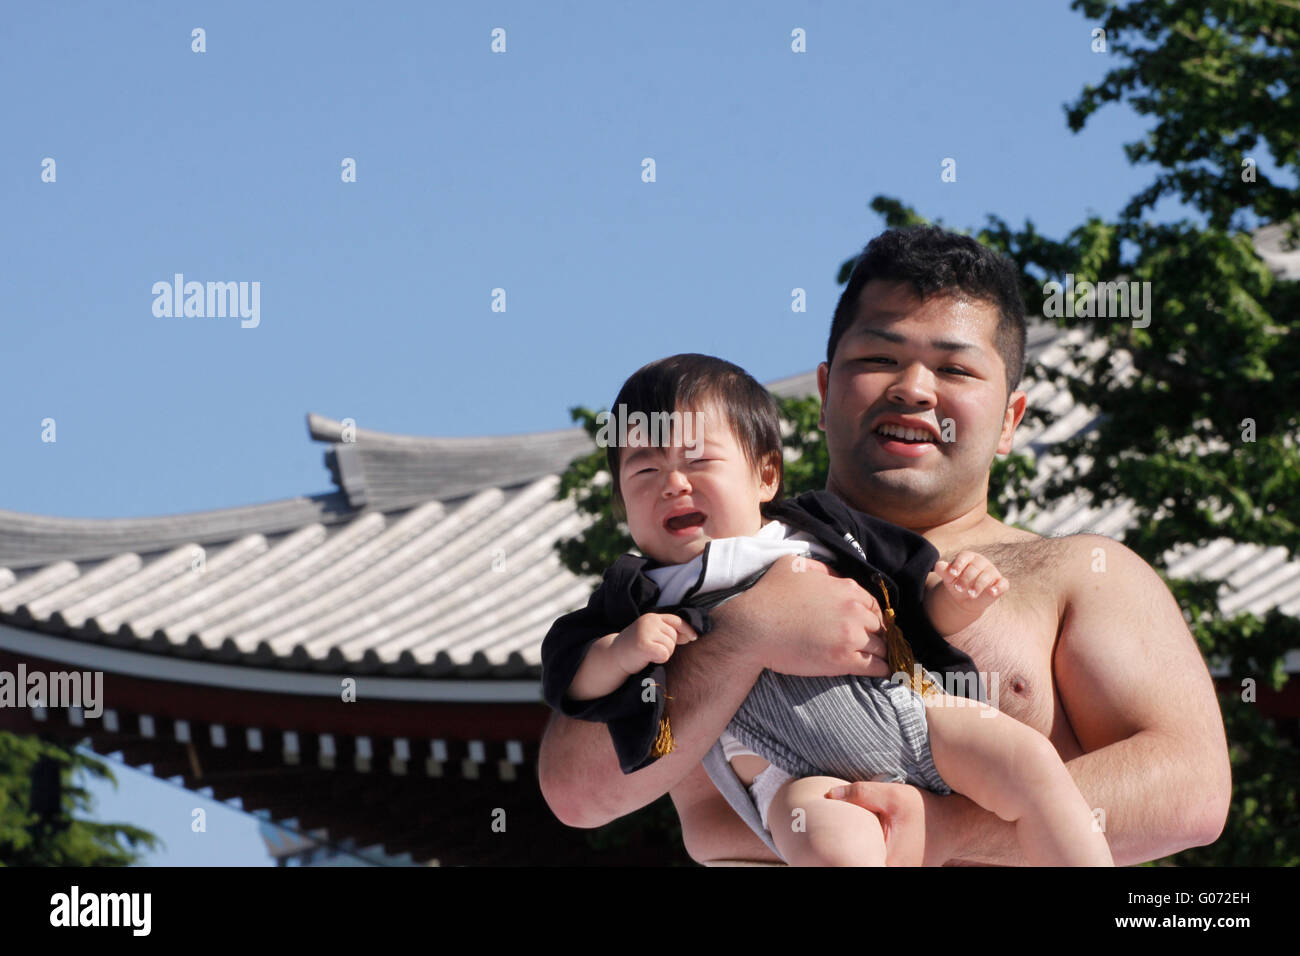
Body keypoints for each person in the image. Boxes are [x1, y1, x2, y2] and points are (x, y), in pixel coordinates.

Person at [539, 226, 1231, 866]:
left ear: (1010, 419)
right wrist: (746, 633)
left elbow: (1192, 790)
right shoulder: (696, 579)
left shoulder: (1078, 573)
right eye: (879, 357)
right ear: (823, 388)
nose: (912, 389)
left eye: (955, 371)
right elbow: (578, 794)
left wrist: (948, 827)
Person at [541, 353, 1114, 865]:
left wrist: (952, 601)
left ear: (765, 474)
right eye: (644, 470)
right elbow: (570, 669)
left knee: (1032, 765)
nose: (672, 484)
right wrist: (620, 652)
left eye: (697, 462)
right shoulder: (636, 594)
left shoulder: (821, 530)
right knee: (834, 849)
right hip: (789, 772)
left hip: (913, 714)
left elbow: (906, 611)